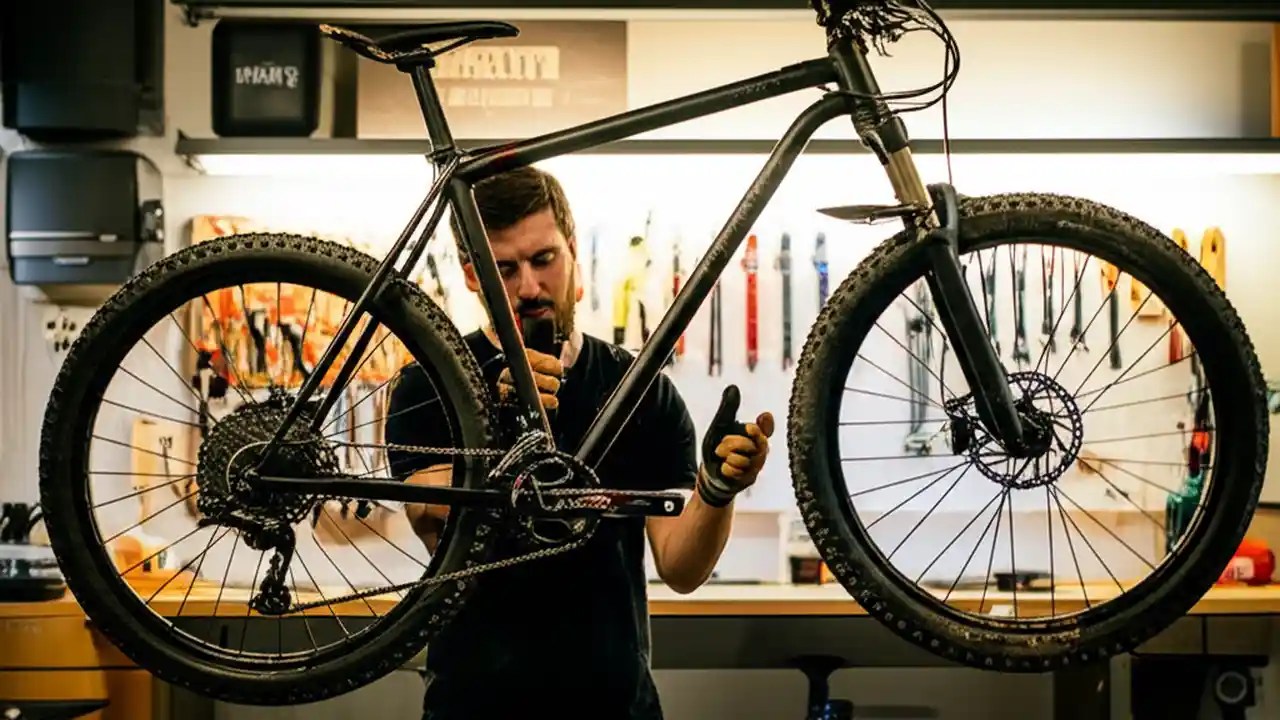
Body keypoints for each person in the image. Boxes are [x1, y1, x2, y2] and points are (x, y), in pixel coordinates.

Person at [381, 165, 775, 720]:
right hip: (473, 706)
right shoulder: (430, 383)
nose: (529, 287)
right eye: (504, 269)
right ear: (472, 276)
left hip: (615, 707)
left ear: (574, 254)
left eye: (544, 259)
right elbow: (429, 518)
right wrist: (503, 424)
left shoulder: (641, 390)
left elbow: (682, 568)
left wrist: (716, 490)